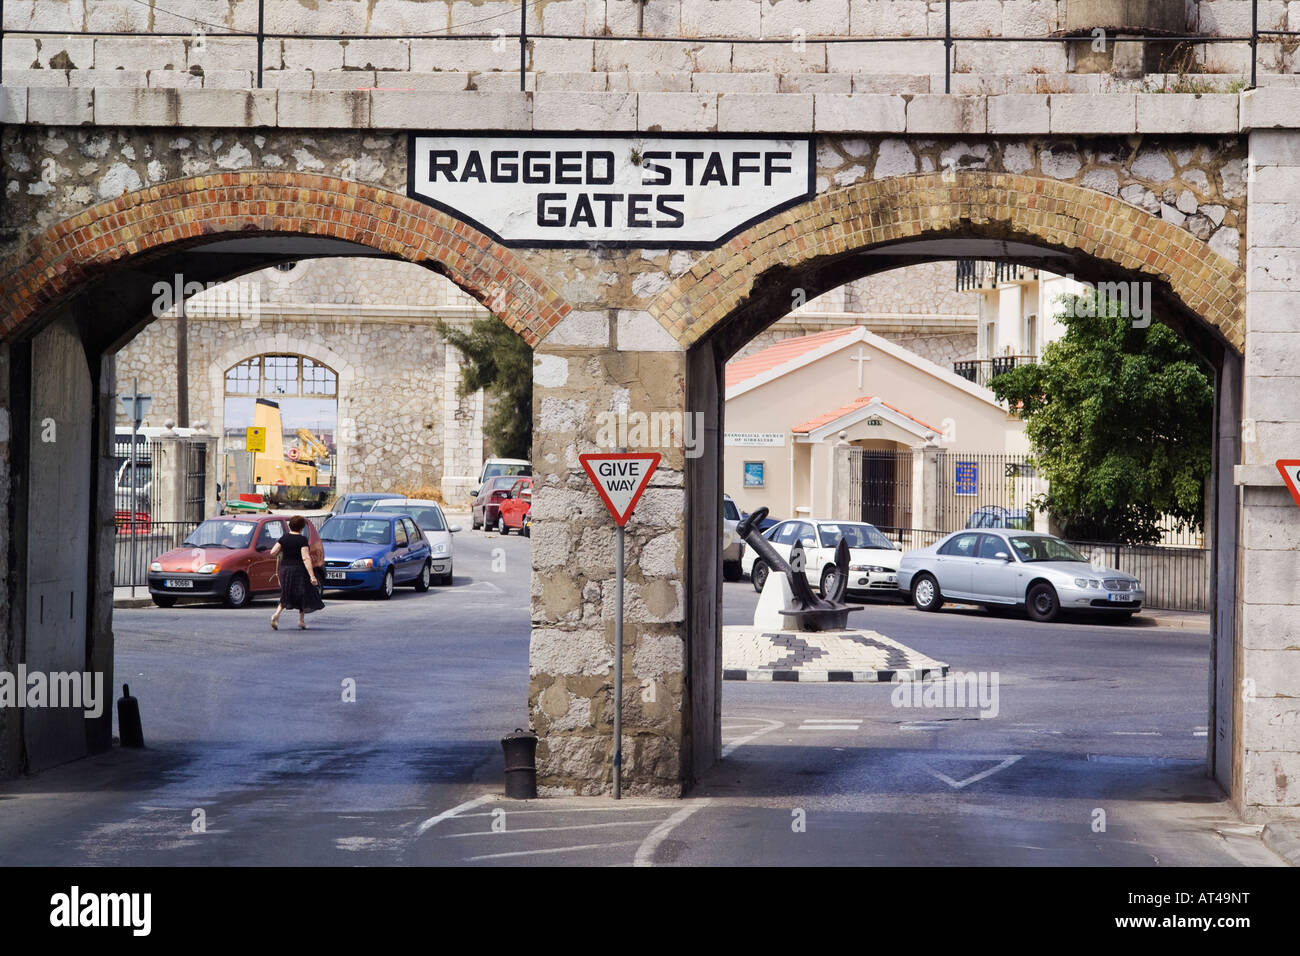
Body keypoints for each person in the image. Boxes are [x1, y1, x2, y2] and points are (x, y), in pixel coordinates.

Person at [269, 515, 324, 630]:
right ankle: (301, 621)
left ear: (290, 526)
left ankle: (277, 614)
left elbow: (273, 552)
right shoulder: (302, 540)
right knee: (302, 593)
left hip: (285, 570)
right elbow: (305, 558)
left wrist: (283, 552)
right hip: (298, 570)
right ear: (302, 527)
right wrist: (312, 576)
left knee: (286, 592)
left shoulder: (284, 538)